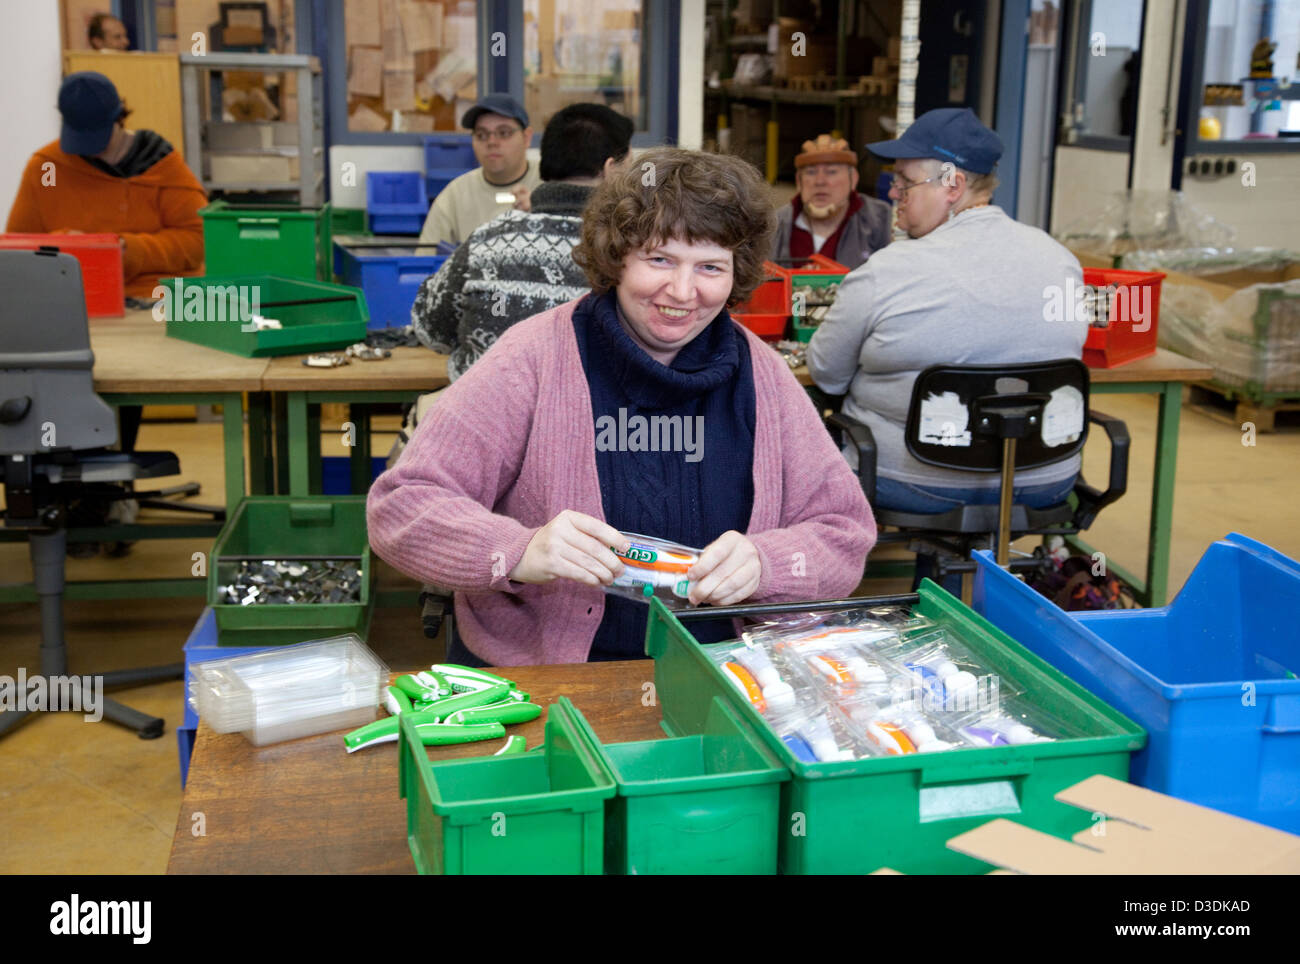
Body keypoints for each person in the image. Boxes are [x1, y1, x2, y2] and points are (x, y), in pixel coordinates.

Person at [368, 147, 876, 666]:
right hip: (556, 675)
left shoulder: (763, 375)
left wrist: (767, 565)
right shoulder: (535, 356)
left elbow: (843, 533)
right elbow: (403, 505)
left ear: (738, 271)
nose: (682, 291)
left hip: (725, 675)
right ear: (617, 257)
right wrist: (520, 551)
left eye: (710, 266)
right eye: (659, 259)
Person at [807, 107, 1086, 520]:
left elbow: (826, 373)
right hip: (1042, 479)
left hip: (908, 481)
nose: (891, 193)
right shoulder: (1060, 259)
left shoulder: (889, 270)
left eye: (904, 182)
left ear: (952, 185)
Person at [412, 103, 634, 382]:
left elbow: (429, 328)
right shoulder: (631, 251)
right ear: (610, 168)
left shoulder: (486, 240)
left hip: (484, 418)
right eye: (629, 163)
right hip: (592, 421)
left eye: (504, 132)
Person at [6, 72, 206, 300]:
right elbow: (16, 252)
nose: (88, 149)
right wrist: (64, 245)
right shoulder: (48, 169)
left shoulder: (159, 164)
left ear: (118, 117)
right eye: (79, 136)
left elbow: (197, 241)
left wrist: (128, 250)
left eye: (96, 136)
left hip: (157, 295)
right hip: (74, 298)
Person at [416, 95, 543, 248]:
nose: (491, 142)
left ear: (527, 137)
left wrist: (543, 215)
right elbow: (426, 261)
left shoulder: (549, 184)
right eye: (481, 135)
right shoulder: (454, 195)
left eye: (503, 133)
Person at [770, 134, 892, 270]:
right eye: (811, 172)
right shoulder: (773, 226)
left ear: (853, 179)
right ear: (799, 181)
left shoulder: (882, 220)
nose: (820, 181)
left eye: (832, 172)